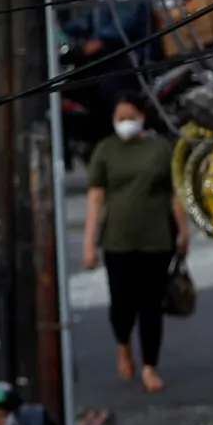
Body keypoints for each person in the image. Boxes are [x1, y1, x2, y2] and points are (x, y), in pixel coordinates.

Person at [82, 95, 188, 393]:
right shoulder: (105, 151)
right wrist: (88, 245)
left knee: (151, 305)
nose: (125, 123)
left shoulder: (160, 149)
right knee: (121, 303)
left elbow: (174, 193)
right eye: (120, 118)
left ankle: (150, 366)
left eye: (130, 116)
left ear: (142, 117)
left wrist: (184, 232)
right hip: (117, 241)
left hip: (156, 239)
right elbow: (95, 199)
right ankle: (124, 345)